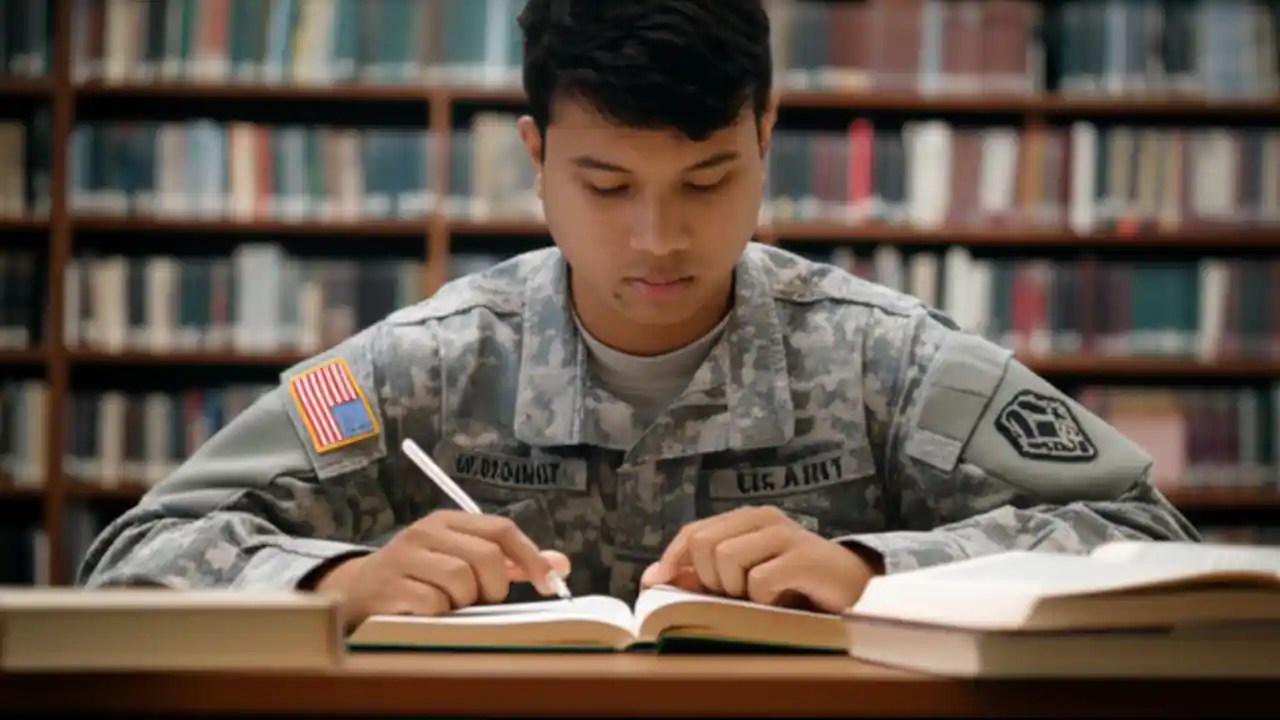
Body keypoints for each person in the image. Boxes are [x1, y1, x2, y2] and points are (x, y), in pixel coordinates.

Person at [78, 0, 1199, 631]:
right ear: (535, 157)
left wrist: (875, 566)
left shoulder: (889, 361)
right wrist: (331, 579)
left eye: (707, 181)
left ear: (765, 137)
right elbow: (134, 555)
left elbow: (1152, 544)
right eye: (606, 187)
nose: (657, 237)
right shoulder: (412, 367)